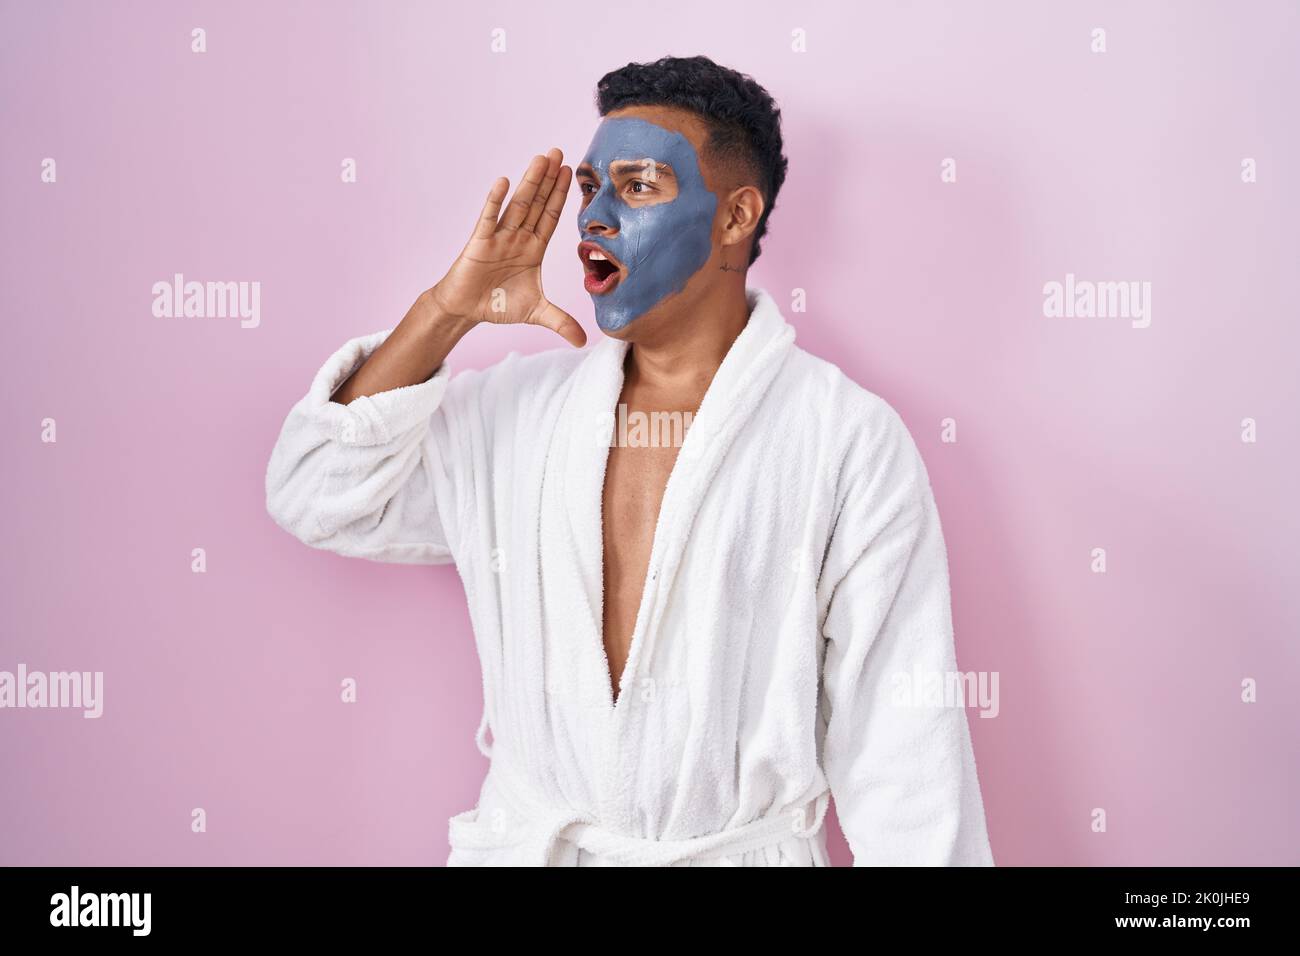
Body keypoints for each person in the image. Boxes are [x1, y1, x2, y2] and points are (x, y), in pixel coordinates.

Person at [265, 55, 994, 866]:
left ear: (734, 217)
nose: (594, 218)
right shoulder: (515, 416)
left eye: (638, 186)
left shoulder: (841, 441)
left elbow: (904, 751)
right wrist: (446, 313)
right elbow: (311, 493)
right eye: (589, 188)